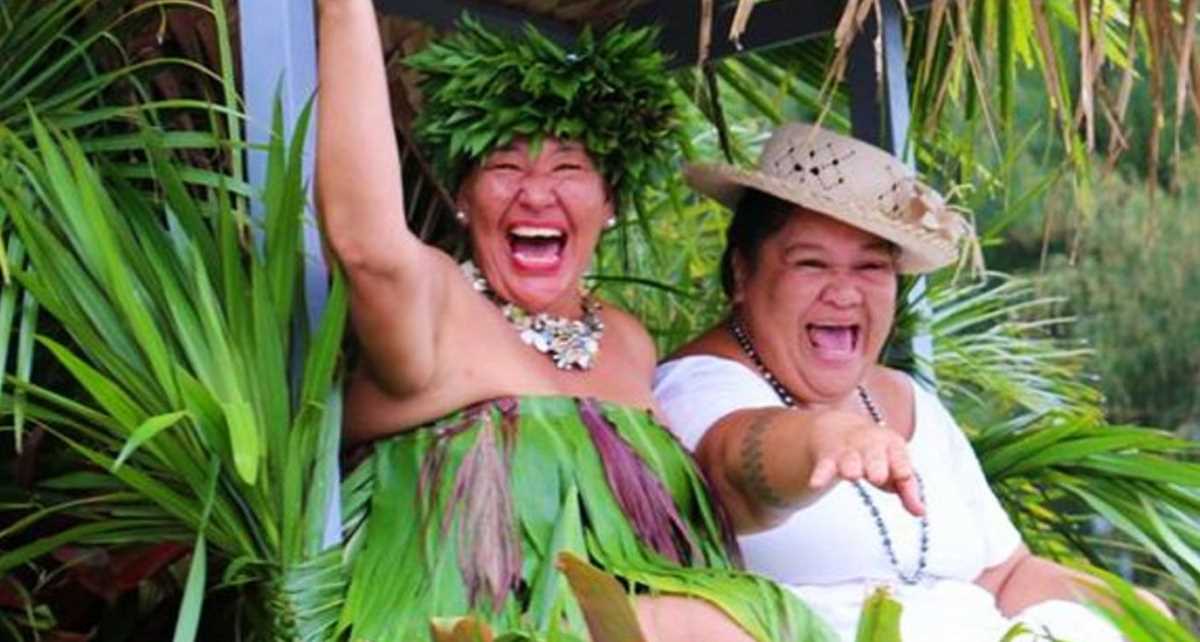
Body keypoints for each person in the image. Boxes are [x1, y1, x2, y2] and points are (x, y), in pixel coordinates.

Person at [316, 4, 836, 641]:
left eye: (568, 169)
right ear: (461, 197)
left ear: (609, 200)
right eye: (505, 168)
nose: (537, 194)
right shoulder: (440, 311)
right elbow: (367, 248)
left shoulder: (627, 341)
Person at [653, 121, 1157, 641]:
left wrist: (1130, 609)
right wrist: (823, 439)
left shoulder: (905, 398)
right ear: (741, 273)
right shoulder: (696, 386)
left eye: (870, 267)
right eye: (811, 263)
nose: (845, 294)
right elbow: (736, 460)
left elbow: (1004, 575)